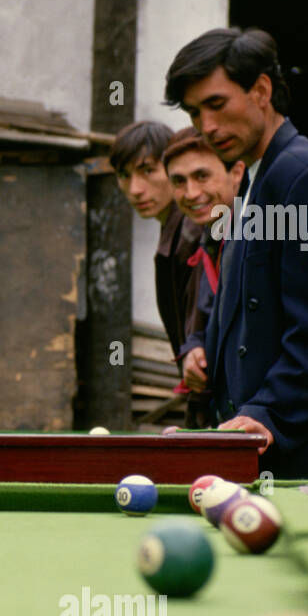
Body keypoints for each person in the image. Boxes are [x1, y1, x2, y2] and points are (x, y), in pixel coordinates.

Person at [164, 27, 308, 486]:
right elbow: (248, 319)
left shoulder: (302, 177)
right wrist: (206, 431)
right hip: (265, 464)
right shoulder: (253, 184)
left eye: (217, 104)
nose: (205, 126)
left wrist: (268, 410)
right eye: (194, 112)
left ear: (261, 90)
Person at [108, 121, 208, 424]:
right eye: (125, 175)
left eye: (148, 171)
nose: (135, 189)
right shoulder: (175, 231)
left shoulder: (193, 231)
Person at [161, 127, 246, 423]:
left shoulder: (265, 233)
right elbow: (206, 318)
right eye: (179, 182)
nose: (191, 193)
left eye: (202, 176)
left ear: (236, 173)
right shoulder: (210, 237)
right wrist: (195, 348)